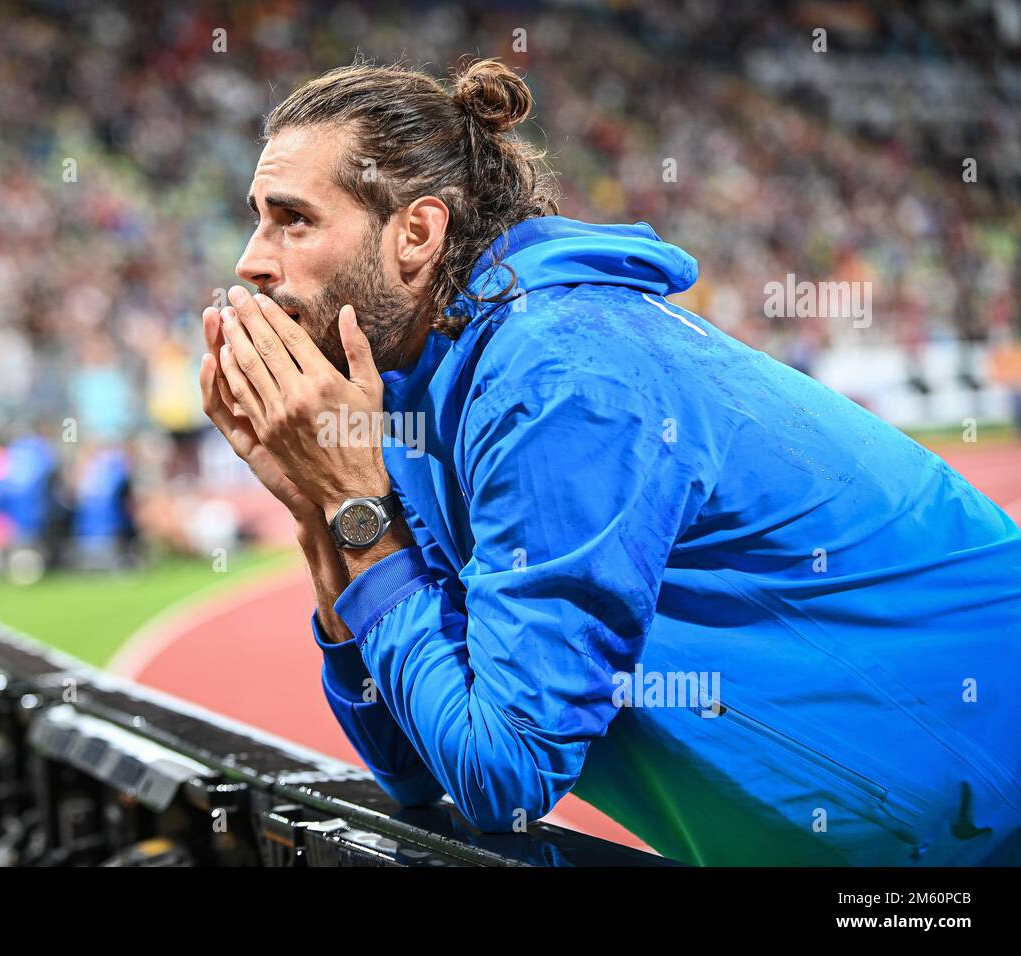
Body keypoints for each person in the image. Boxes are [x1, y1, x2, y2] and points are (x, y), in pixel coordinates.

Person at [198, 58, 1021, 865]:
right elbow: (415, 775)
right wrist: (320, 511)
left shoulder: (559, 377)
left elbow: (504, 777)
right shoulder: (415, 399)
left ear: (417, 232)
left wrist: (358, 512)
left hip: (982, 799)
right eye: (258, 217)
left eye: (291, 219)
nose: (251, 259)